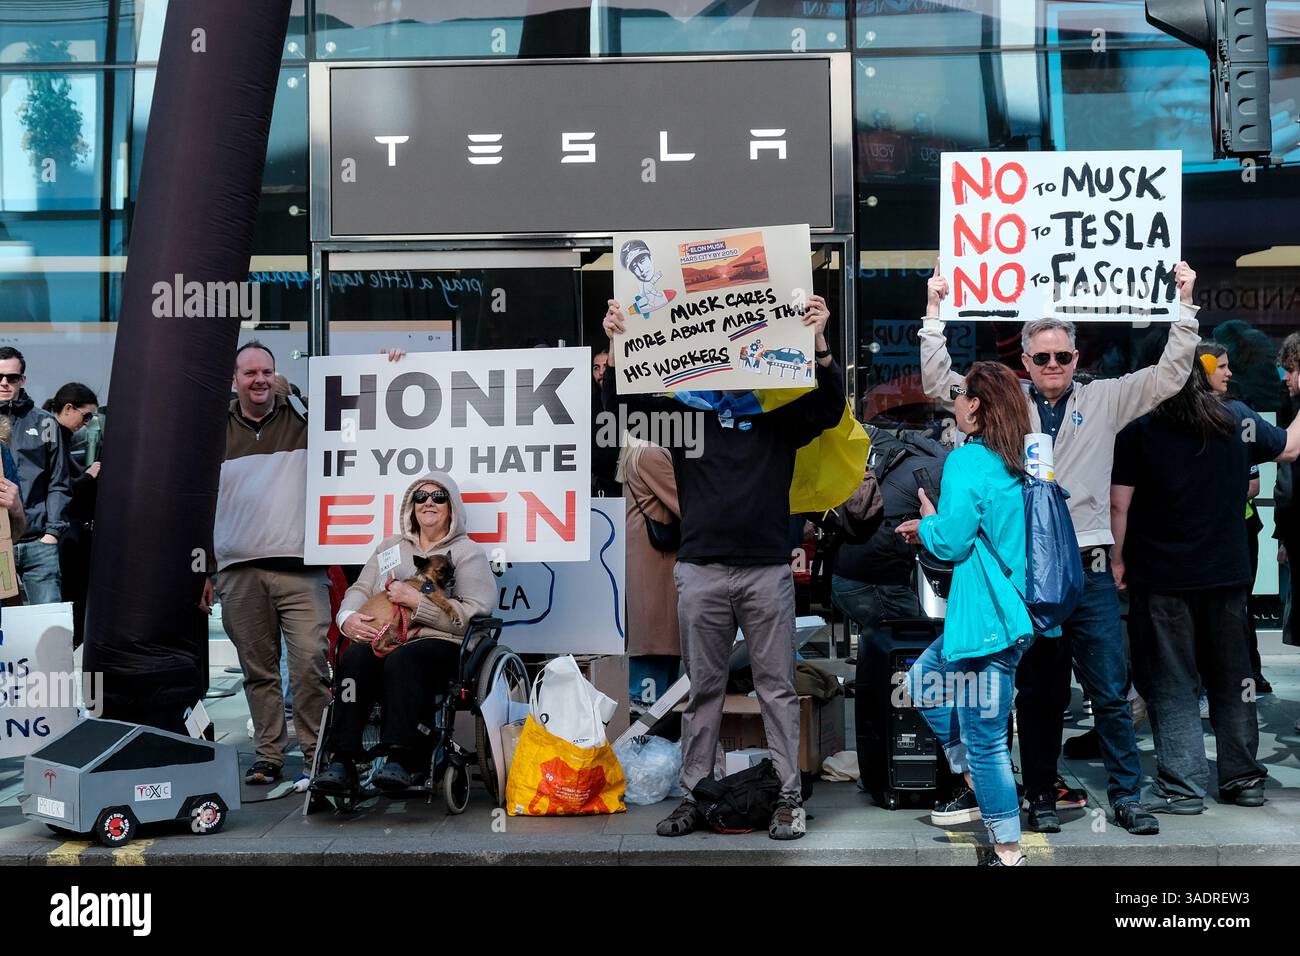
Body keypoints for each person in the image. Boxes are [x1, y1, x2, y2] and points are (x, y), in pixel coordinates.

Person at [921, 259, 1200, 837]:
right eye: (1041, 356)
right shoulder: (1005, 402)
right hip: (1027, 574)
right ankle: (1040, 795)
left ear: (1079, 359)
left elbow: (1170, 374)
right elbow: (939, 383)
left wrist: (1185, 302)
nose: (1053, 365)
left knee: (1109, 692)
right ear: (1025, 361)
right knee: (1039, 694)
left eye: (1063, 356)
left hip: (1087, 569)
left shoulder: (1104, 399)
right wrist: (934, 312)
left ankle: (1127, 796)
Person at [602, 293, 842, 840]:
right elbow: (620, 414)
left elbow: (829, 410)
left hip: (764, 571)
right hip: (702, 570)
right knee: (703, 689)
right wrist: (617, 344)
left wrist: (822, 343)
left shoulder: (777, 414)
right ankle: (696, 796)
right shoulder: (686, 415)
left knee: (775, 688)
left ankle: (786, 799)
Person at [205, 342, 407, 788]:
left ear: (277, 375)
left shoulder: (305, 416)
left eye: (266, 372)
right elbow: (199, 500)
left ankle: (321, 758)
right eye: (249, 373)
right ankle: (269, 757)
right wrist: (203, 568)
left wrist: (386, 367)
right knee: (258, 672)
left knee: (310, 669)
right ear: (233, 379)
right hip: (238, 569)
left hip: (302, 568)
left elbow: (361, 412)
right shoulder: (212, 427)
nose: (259, 380)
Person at [1112, 354, 1300, 813]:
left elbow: (1120, 505)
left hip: (1161, 578)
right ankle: (1242, 778)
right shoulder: (1237, 419)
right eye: (1222, 366)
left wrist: (1115, 560)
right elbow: (1291, 448)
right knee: (1234, 679)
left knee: (1172, 680)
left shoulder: (1140, 430)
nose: (1230, 373)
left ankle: (1182, 785)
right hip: (1227, 576)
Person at [896, 362, 1039, 866]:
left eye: (959, 394)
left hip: (985, 623)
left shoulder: (966, 462)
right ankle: (979, 779)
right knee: (921, 681)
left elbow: (953, 541)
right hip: (1007, 618)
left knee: (987, 740)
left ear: (975, 405)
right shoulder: (1018, 462)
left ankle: (1007, 850)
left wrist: (926, 524)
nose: (952, 402)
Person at [312, 474, 495, 793]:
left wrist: (418, 604)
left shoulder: (468, 553)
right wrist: (348, 618)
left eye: (438, 497)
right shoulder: (390, 547)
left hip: (442, 644)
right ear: (411, 506)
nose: (428, 503)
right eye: (421, 497)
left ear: (452, 508)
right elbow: (360, 588)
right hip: (387, 637)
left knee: (406, 659)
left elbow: (473, 616)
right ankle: (343, 759)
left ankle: (404, 758)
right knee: (355, 656)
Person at [1196, 342, 1269, 693]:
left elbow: (1253, 485)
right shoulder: (1171, 419)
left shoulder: (1238, 414)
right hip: (1199, 537)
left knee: (1238, 608)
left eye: (1229, 365)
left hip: (1240, 530)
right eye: (1221, 366)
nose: (1229, 373)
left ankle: (1249, 676)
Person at [831, 423, 948, 635]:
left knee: (882, 647)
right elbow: (952, 538)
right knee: (917, 646)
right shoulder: (944, 475)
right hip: (872, 582)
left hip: (849, 573)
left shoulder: (916, 460)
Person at [0, 346, 70, 605]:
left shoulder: (44, 422)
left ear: (22, 380)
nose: (4, 383)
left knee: (48, 628)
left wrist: (51, 534)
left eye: (12, 377)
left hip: (38, 543)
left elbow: (58, 482)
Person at [619, 437, 681, 708]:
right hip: (657, 566)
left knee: (654, 653)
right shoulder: (651, 454)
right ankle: (645, 746)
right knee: (655, 662)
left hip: (650, 564)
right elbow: (689, 503)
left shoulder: (635, 452)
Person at [43, 383, 100, 646]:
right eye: (86, 416)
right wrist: (89, 476)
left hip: (68, 532)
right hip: (61, 533)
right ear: (68, 409)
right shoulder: (52, 438)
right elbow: (57, 487)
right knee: (69, 596)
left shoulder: (59, 438)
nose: (87, 424)